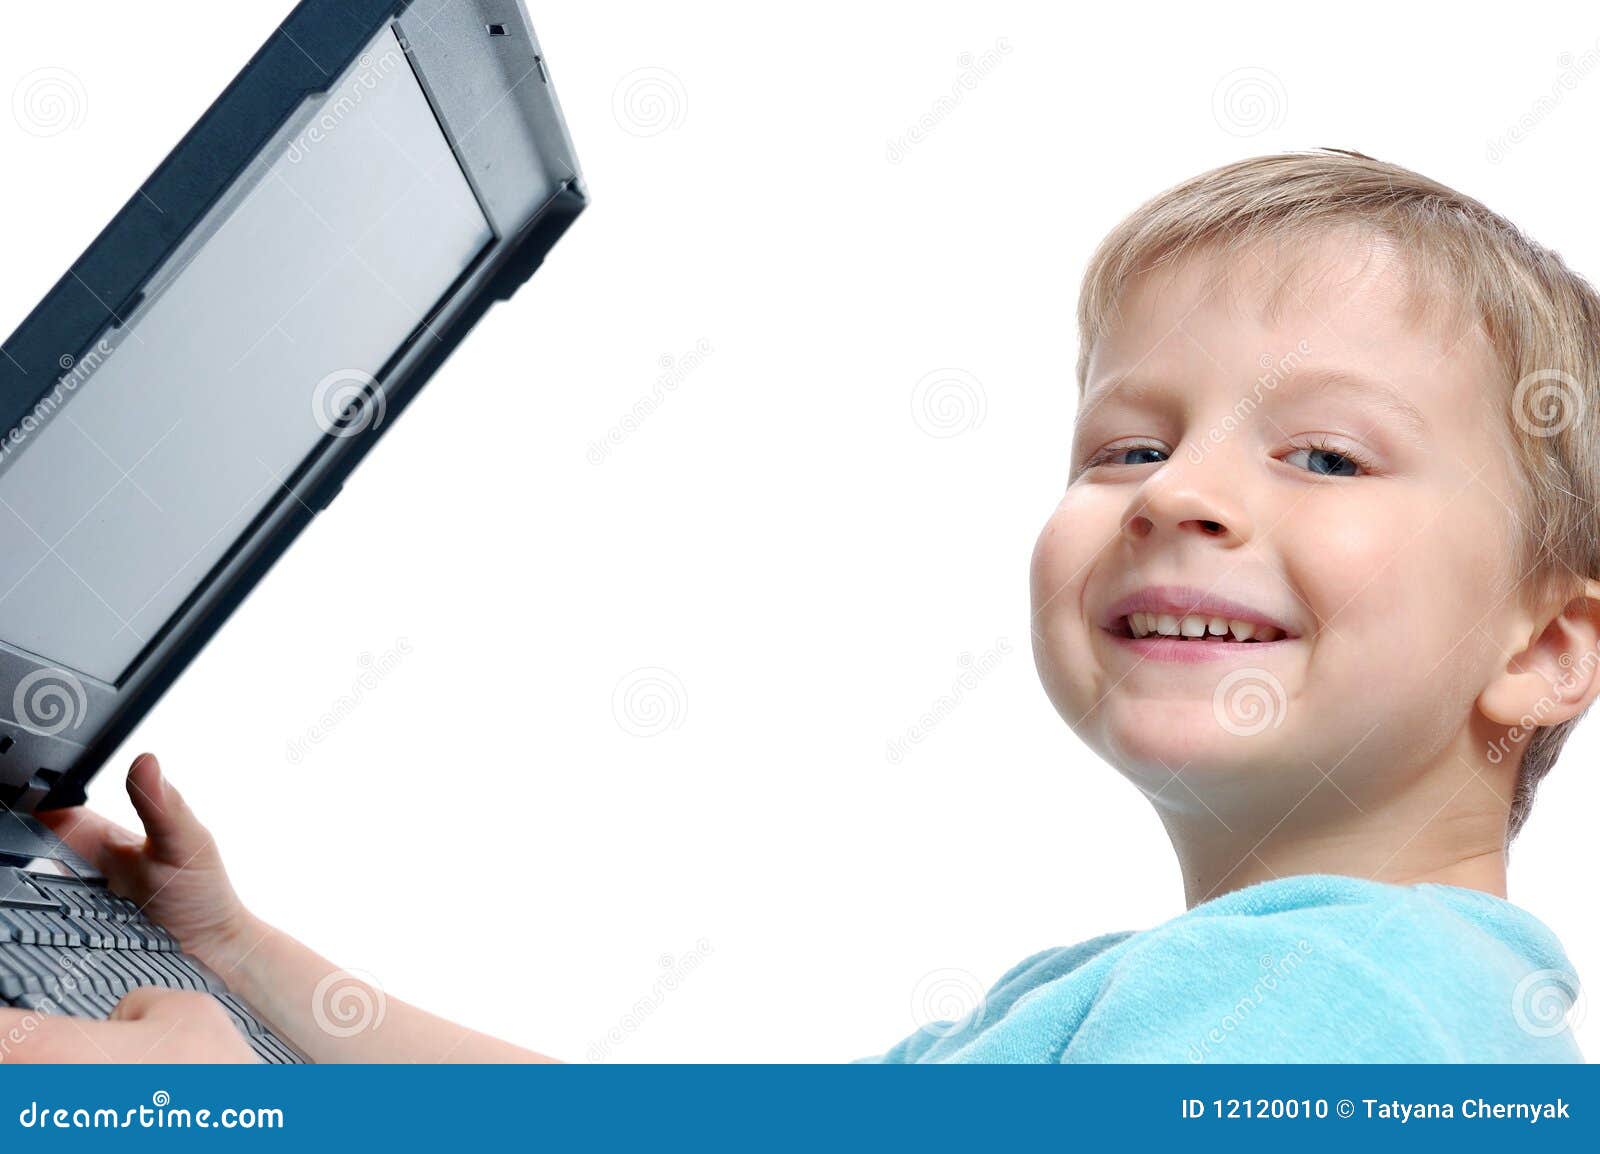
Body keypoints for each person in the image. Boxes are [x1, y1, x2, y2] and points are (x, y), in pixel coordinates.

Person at [2, 150, 1591, 1062]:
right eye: (1131, 441)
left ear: (1547, 645)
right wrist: (247, 959)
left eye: (1323, 452)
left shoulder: (1352, 1013)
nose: (1181, 493)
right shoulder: (1148, 995)